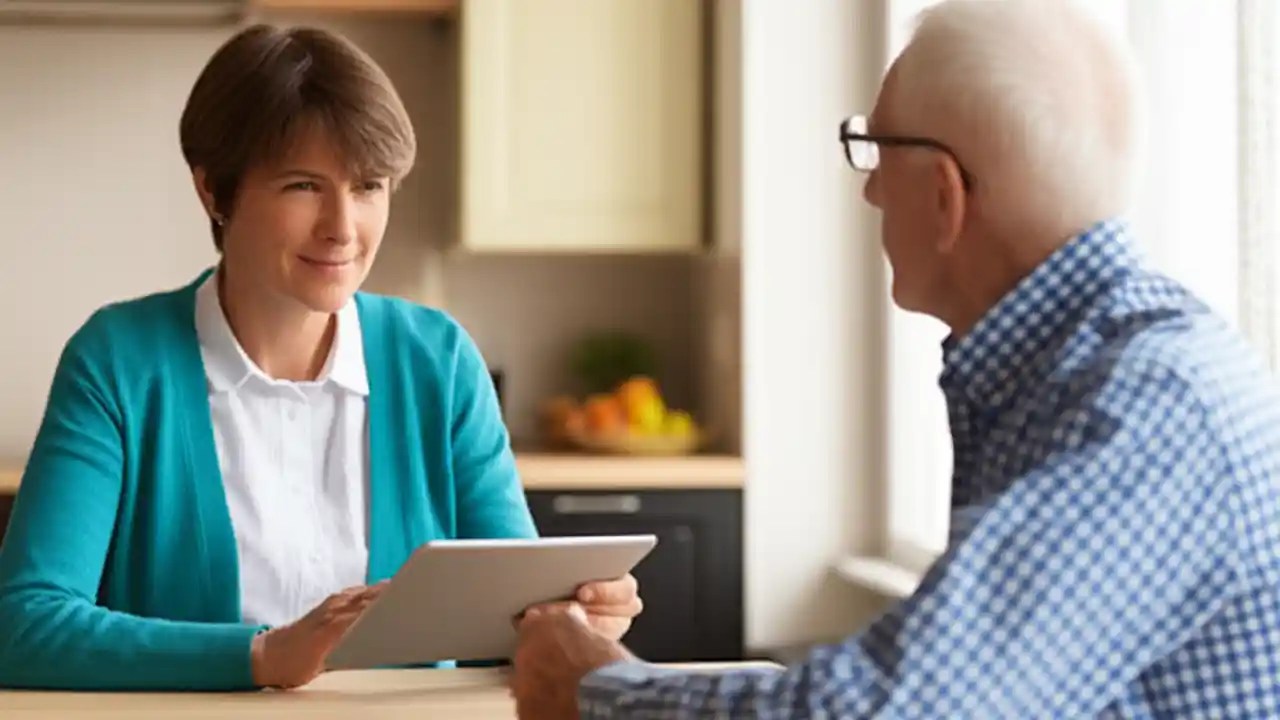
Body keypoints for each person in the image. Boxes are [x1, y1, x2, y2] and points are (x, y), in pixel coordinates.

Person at [510, 1, 1280, 717]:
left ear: (945, 195)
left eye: (875, 151)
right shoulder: (1085, 372)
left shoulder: (1148, 409)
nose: (871, 190)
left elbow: (902, 708)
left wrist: (596, 692)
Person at [0, 24, 641, 691]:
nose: (342, 227)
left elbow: (513, 615)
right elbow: (23, 627)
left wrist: (572, 617)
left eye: (368, 187)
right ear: (213, 191)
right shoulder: (118, 361)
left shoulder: (438, 359)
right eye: (304, 186)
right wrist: (262, 655)